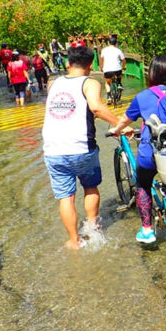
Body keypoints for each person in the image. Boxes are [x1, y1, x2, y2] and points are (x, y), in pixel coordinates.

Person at [41, 44, 122, 249]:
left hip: (53, 149)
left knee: (65, 197)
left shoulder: (53, 83)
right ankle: (93, 227)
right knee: (90, 187)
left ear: (68, 63)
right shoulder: (90, 82)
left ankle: (74, 240)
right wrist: (120, 125)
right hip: (82, 147)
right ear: (90, 64)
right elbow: (95, 107)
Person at [106, 55, 166, 243]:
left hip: (152, 153)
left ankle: (147, 230)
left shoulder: (143, 96)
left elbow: (125, 119)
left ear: (151, 74)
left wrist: (116, 130)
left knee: (143, 184)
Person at [99, 36, 126, 101]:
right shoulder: (118, 50)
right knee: (119, 75)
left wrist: (102, 67)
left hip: (107, 70)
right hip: (117, 69)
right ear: (116, 43)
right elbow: (124, 60)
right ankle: (119, 84)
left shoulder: (104, 50)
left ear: (109, 43)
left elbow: (102, 59)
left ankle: (108, 97)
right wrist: (123, 67)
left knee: (108, 83)